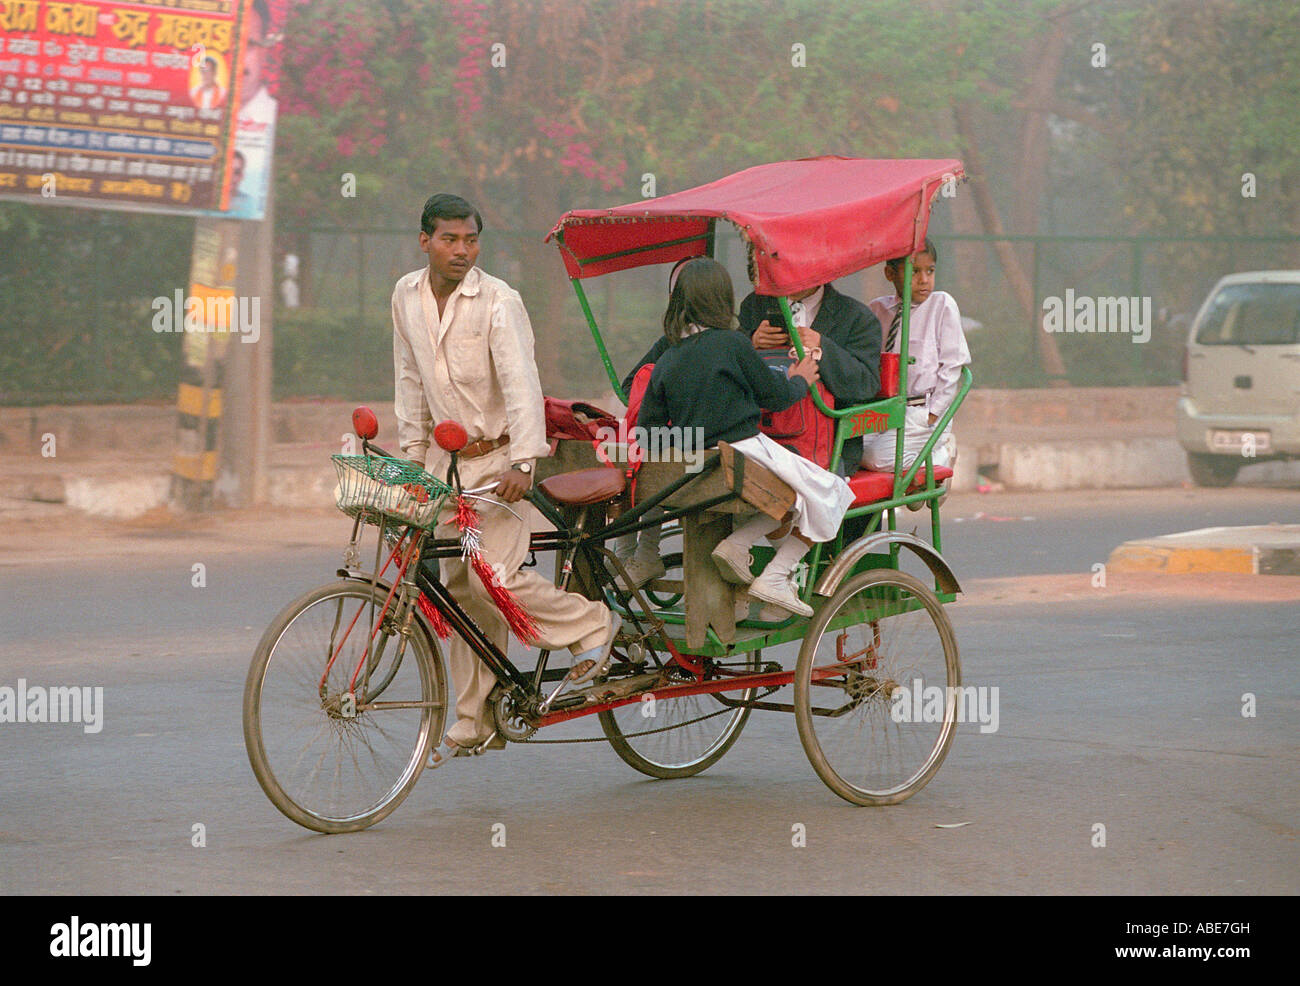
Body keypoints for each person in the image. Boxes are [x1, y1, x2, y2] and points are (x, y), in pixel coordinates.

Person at [392, 193, 618, 765]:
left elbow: (522, 383)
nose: (462, 250)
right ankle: (475, 719)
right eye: (449, 239)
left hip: (498, 467)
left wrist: (524, 460)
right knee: (462, 591)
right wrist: (414, 459)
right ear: (425, 241)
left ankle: (592, 622)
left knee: (493, 574)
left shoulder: (498, 300)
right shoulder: (405, 296)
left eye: (471, 240)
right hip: (448, 471)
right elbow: (410, 380)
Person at [636, 258, 853, 617]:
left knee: (797, 497)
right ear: (723, 299)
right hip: (745, 452)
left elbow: (648, 433)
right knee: (833, 491)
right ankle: (776, 574)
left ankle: (739, 547)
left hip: (699, 465)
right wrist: (801, 377)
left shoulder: (669, 358)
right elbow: (775, 396)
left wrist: (691, 433)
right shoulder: (733, 344)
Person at [740, 278, 882, 476]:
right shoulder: (756, 305)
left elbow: (866, 386)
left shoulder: (856, 317)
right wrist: (751, 341)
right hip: (761, 438)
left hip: (828, 448)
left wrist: (822, 349)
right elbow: (732, 367)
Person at [859, 239, 970, 475]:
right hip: (886, 409)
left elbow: (952, 366)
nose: (924, 280)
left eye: (930, 271)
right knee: (852, 451)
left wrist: (934, 413)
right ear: (890, 273)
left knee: (876, 459)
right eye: (914, 271)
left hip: (922, 410)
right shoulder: (878, 310)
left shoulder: (941, 305)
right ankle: (923, 461)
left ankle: (940, 455)